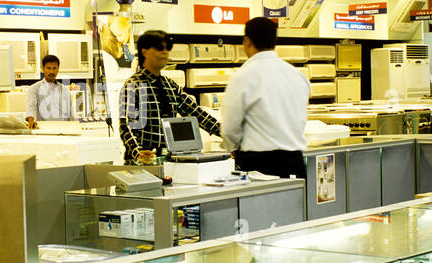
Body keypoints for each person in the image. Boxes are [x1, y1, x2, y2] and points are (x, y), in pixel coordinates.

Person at [221, 17, 310, 177]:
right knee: (297, 202)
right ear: (274, 41)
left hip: (259, 163)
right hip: (295, 160)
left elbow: (229, 127)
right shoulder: (297, 75)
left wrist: (232, 147)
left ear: (247, 41)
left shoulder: (243, 76)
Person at [119, 30, 223, 165]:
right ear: (144, 51)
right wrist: (137, 152)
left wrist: (224, 133)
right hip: (141, 163)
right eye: (160, 48)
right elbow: (126, 125)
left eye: (167, 48)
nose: (165, 52)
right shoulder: (133, 85)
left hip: (167, 160)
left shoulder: (170, 85)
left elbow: (196, 112)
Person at [24, 54, 74, 128]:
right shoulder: (34, 89)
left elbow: (71, 114)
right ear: (43, 69)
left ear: (58, 69)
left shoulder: (65, 90)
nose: (51, 71)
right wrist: (31, 121)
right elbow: (31, 108)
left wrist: (74, 128)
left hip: (64, 130)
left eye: (54, 68)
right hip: (44, 130)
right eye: (48, 68)